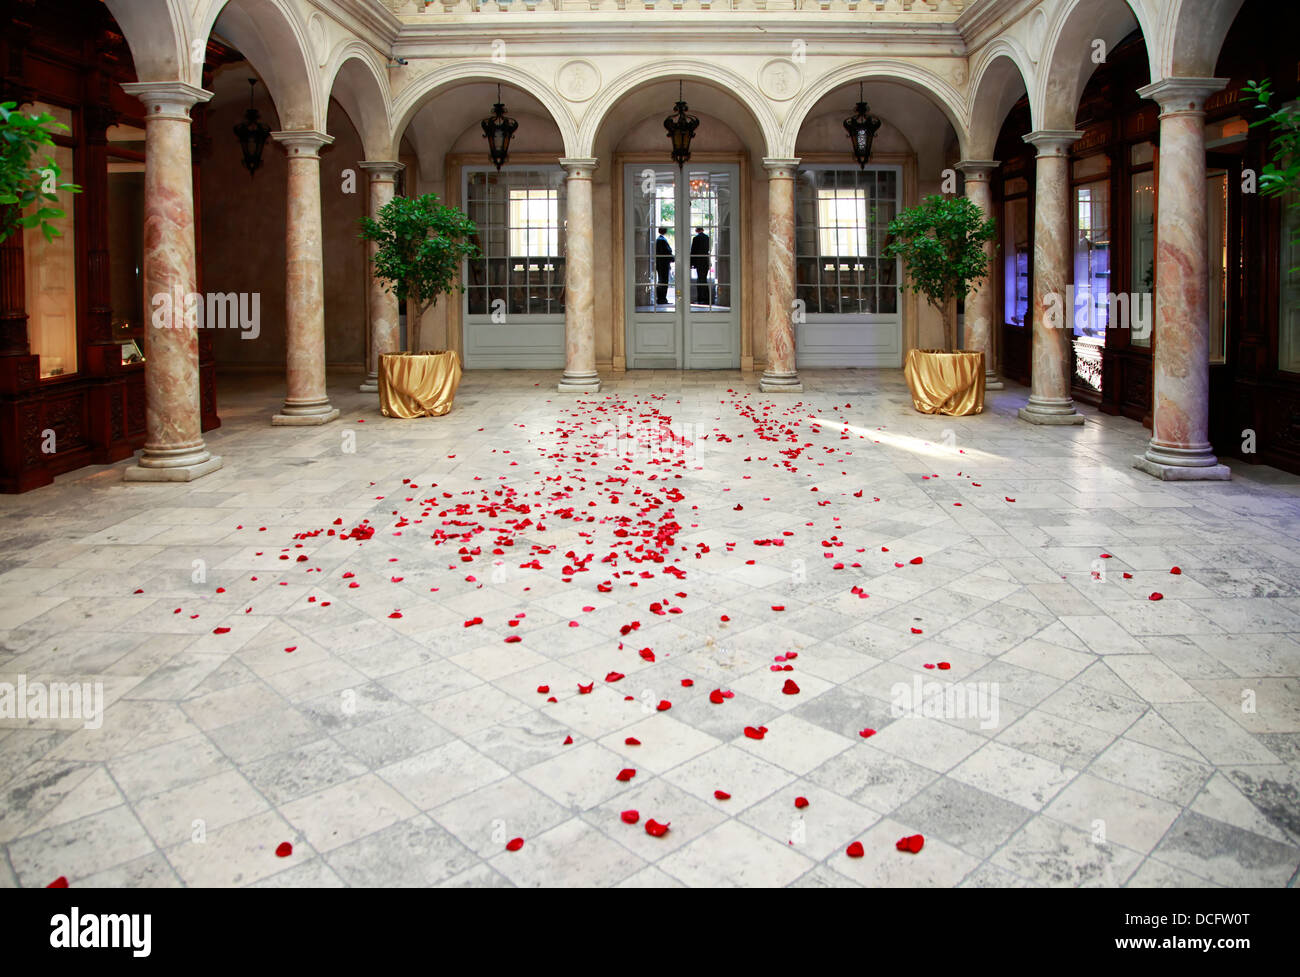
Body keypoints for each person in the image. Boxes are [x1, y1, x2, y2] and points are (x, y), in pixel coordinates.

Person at [690, 226, 711, 306]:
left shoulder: (696, 238)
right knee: (704, 280)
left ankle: (701, 298)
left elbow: (693, 251)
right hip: (705, 261)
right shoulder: (707, 238)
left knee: (700, 280)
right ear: (702, 230)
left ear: (696, 230)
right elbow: (708, 249)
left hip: (699, 261)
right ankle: (706, 299)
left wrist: (691, 263)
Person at [654, 227, 674, 305]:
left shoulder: (660, 239)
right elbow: (666, 252)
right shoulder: (661, 240)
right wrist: (673, 258)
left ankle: (661, 298)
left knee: (661, 281)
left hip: (661, 264)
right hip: (663, 264)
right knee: (664, 281)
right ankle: (662, 299)